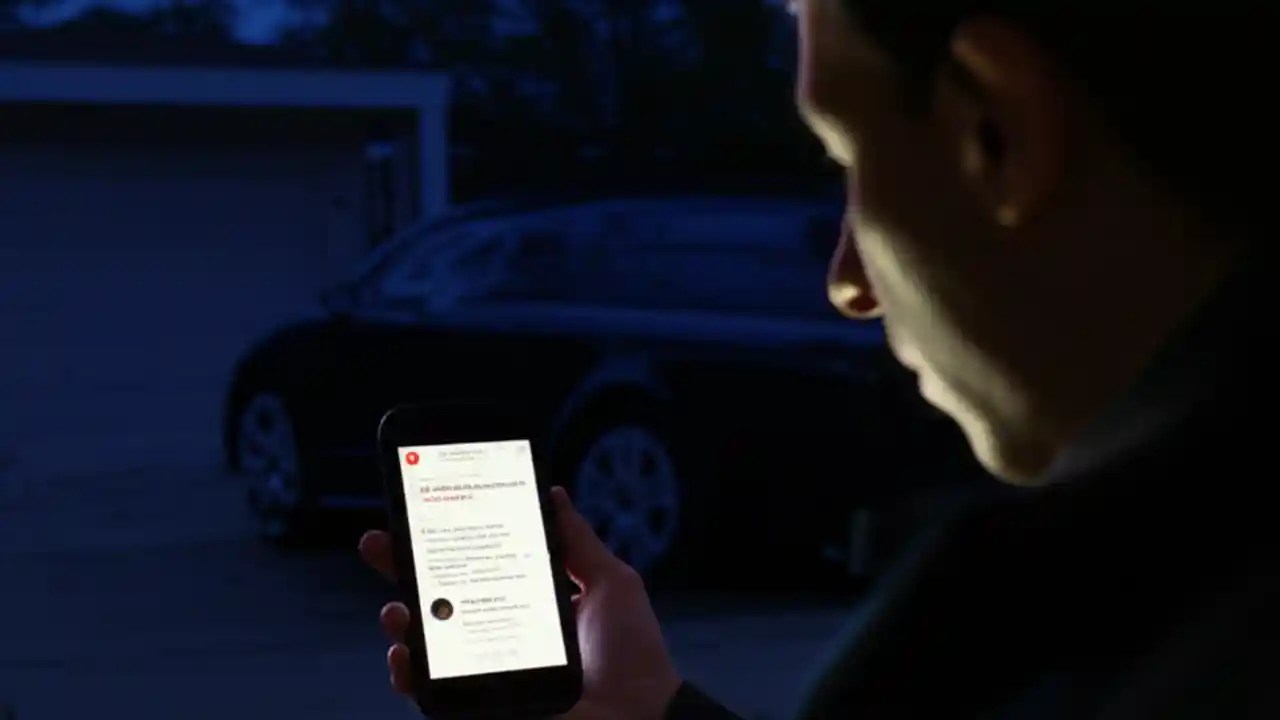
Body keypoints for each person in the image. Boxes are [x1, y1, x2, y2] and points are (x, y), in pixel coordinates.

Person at [360, 0, 1280, 716]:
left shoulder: (1085, 648)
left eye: (849, 156)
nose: (847, 282)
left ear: (999, 132)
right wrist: (653, 712)